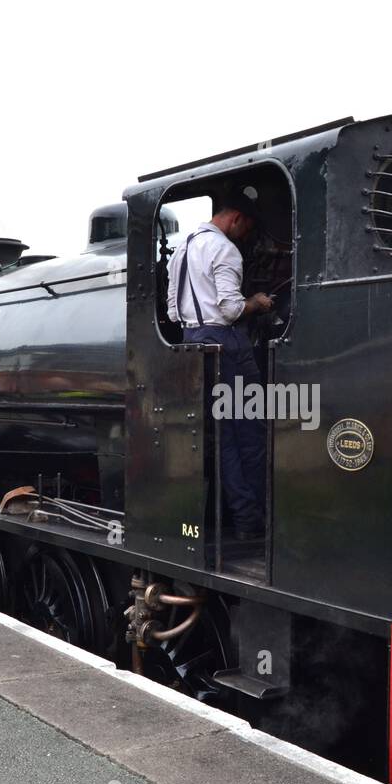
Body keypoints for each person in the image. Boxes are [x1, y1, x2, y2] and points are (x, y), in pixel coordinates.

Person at [165, 191, 274, 541]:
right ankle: (253, 520)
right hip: (227, 345)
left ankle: (242, 518)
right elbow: (229, 309)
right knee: (252, 435)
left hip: (191, 344)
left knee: (224, 440)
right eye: (246, 228)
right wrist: (256, 302)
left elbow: (171, 311)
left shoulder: (181, 249)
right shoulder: (225, 250)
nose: (244, 236)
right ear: (236, 218)